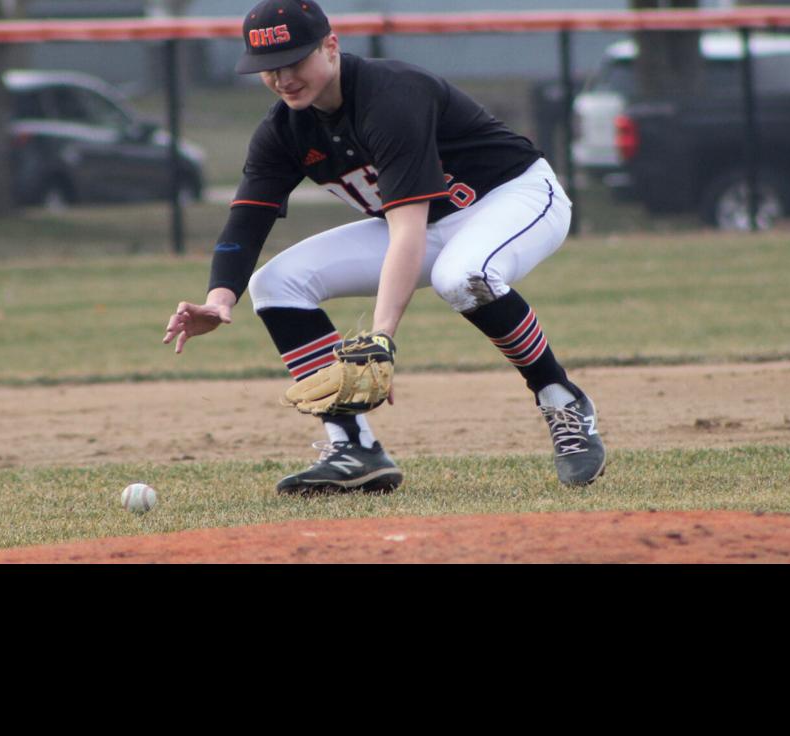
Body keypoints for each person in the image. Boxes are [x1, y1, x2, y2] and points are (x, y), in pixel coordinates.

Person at [163, 0, 605, 493]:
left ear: (331, 46)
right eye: (268, 68)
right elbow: (246, 221)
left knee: (462, 277)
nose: (282, 78)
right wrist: (219, 299)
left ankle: (560, 397)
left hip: (512, 197)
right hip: (424, 225)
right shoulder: (283, 130)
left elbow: (407, 229)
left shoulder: (390, 95)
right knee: (276, 284)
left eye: (293, 61)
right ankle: (354, 448)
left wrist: (381, 338)